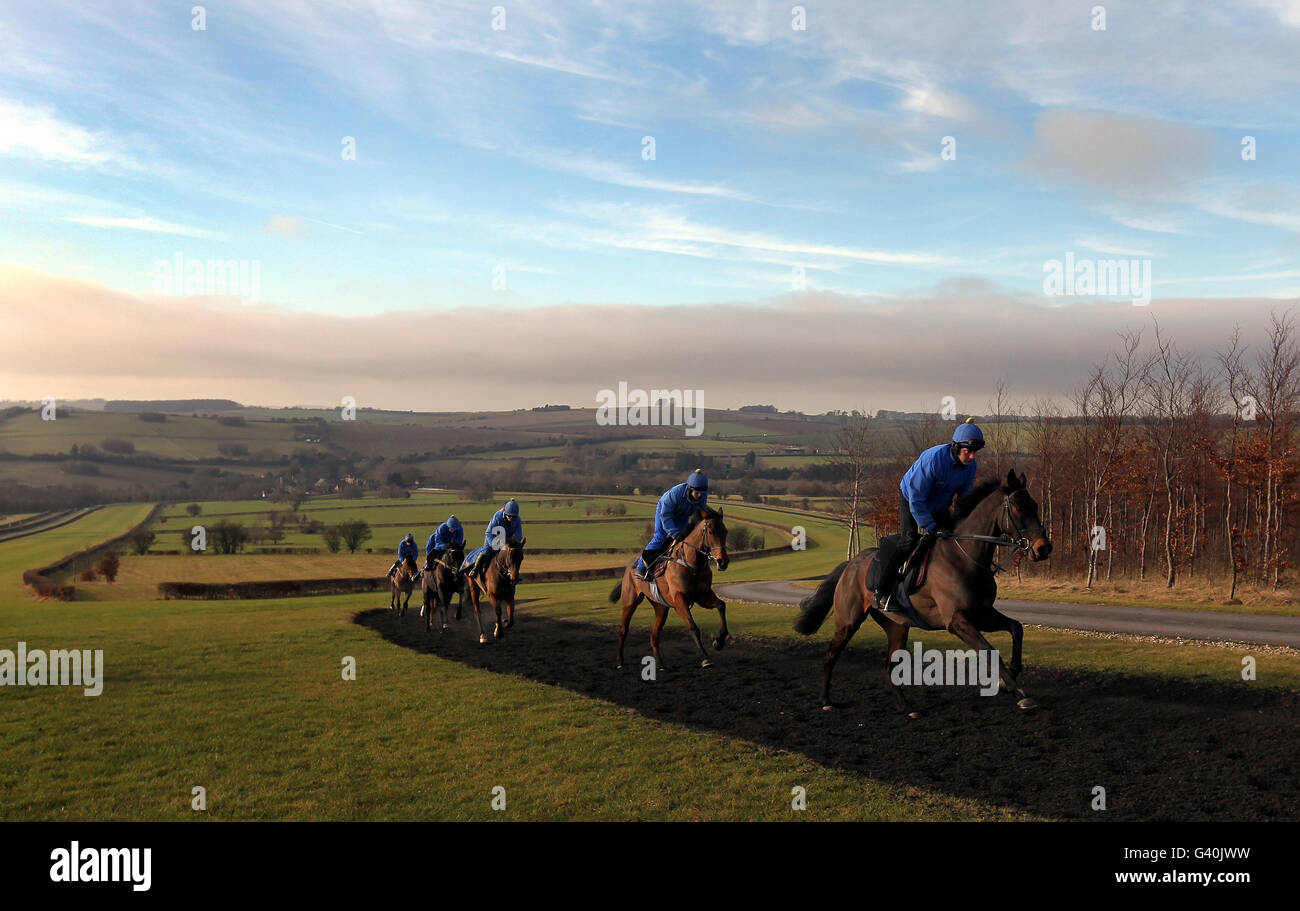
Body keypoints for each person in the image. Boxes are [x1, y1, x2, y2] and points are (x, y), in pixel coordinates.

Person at [880, 419, 983, 600]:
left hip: (939, 504)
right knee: (909, 541)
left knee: (954, 538)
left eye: (975, 452)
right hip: (911, 497)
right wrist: (931, 527)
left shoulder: (970, 466)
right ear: (957, 447)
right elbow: (916, 498)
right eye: (968, 452)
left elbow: (963, 500)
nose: (973, 457)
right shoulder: (933, 459)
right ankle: (883, 589)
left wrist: (961, 523)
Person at [635, 469, 708, 580]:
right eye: (696, 493)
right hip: (664, 513)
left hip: (682, 515)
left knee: (684, 540)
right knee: (660, 538)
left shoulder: (702, 496)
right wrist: (674, 533)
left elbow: (701, 512)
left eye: (701, 494)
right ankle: (641, 567)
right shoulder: (675, 494)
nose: (699, 496)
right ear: (689, 489)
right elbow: (666, 516)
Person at [467, 499, 523, 578]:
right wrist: (499, 544)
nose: (511, 518)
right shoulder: (497, 517)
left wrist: (513, 544)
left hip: (507, 540)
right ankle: (475, 569)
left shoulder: (517, 520)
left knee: (514, 555)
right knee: (486, 551)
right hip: (493, 538)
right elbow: (489, 533)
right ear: (505, 513)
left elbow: (518, 535)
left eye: (513, 516)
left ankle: (513, 573)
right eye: (509, 516)